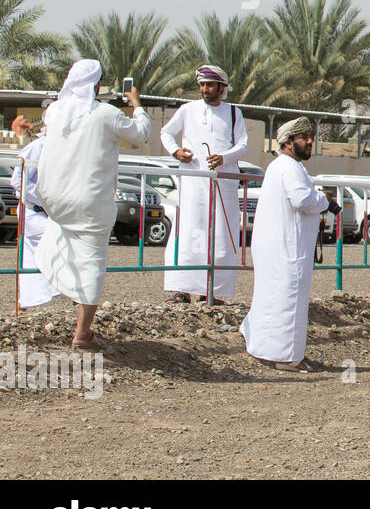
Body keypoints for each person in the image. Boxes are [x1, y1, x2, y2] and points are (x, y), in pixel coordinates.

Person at [34, 60, 150, 350]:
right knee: (92, 264)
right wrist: (137, 104)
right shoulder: (107, 114)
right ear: (97, 85)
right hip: (90, 202)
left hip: (54, 199)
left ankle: (68, 287)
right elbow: (140, 135)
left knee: (61, 239)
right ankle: (83, 333)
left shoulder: (55, 111)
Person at [240, 117, 338, 372]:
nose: (309, 141)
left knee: (271, 299)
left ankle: (264, 350)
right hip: (287, 250)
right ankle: (286, 358)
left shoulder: (284, 165)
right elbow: (302, 199)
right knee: (288, 302)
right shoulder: (288, 167)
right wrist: (324, 199)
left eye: (310, 136)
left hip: (278, 248)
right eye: (303, 137)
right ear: (287, 142)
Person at [159, 65, 248, 304]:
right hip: (192, 183)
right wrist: (176, 151)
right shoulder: (187, 110)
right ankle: (181, 290)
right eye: (201, 85)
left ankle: (211, 291)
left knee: (220, 235)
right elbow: (166, 133)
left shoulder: (233, 113)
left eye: (209, 85)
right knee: (188, 232)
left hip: (222, 183)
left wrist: (224, 158)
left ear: (222, 87)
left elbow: (243, 145)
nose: (204, 89)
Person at [8, 115, 58, 308]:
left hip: (42, 210)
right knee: (57, 238)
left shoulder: (54, 150)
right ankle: (67, 287)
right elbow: (17, 181)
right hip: (31, 210)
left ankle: (28, 298)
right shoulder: (37, 148)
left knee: (30, 256)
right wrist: (43, 198)